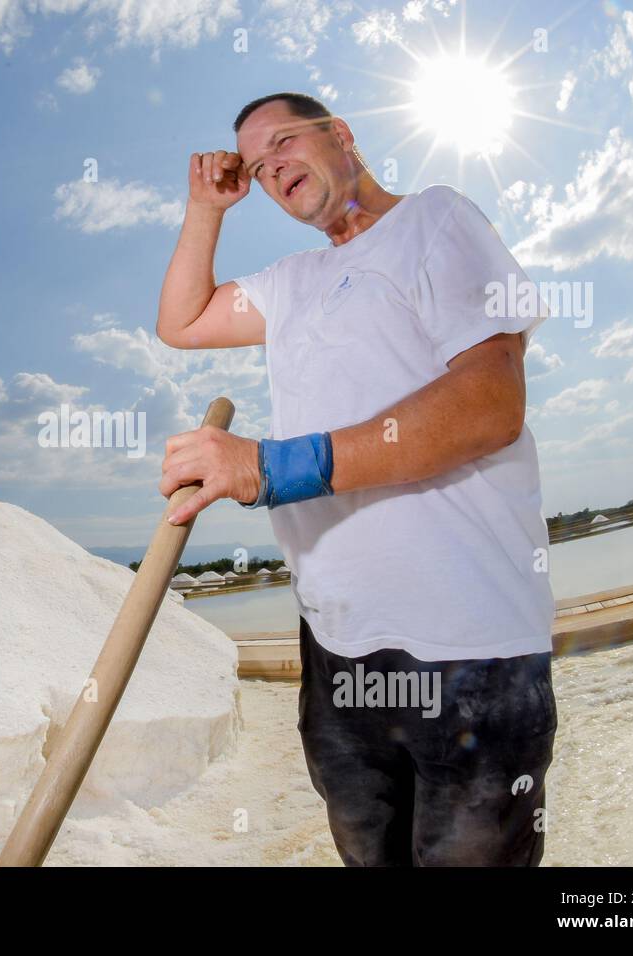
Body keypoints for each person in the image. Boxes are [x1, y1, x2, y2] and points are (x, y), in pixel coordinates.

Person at [155, 92, 557, 866]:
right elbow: (183, 322)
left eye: (285, 143)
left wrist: (271, 466)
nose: (272, 168)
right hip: (337, 646)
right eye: (257, 164)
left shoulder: (435, 221)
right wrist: (206, 208)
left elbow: (490, 402)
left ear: (340, 135)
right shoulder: (293, 279)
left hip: (465, 644)